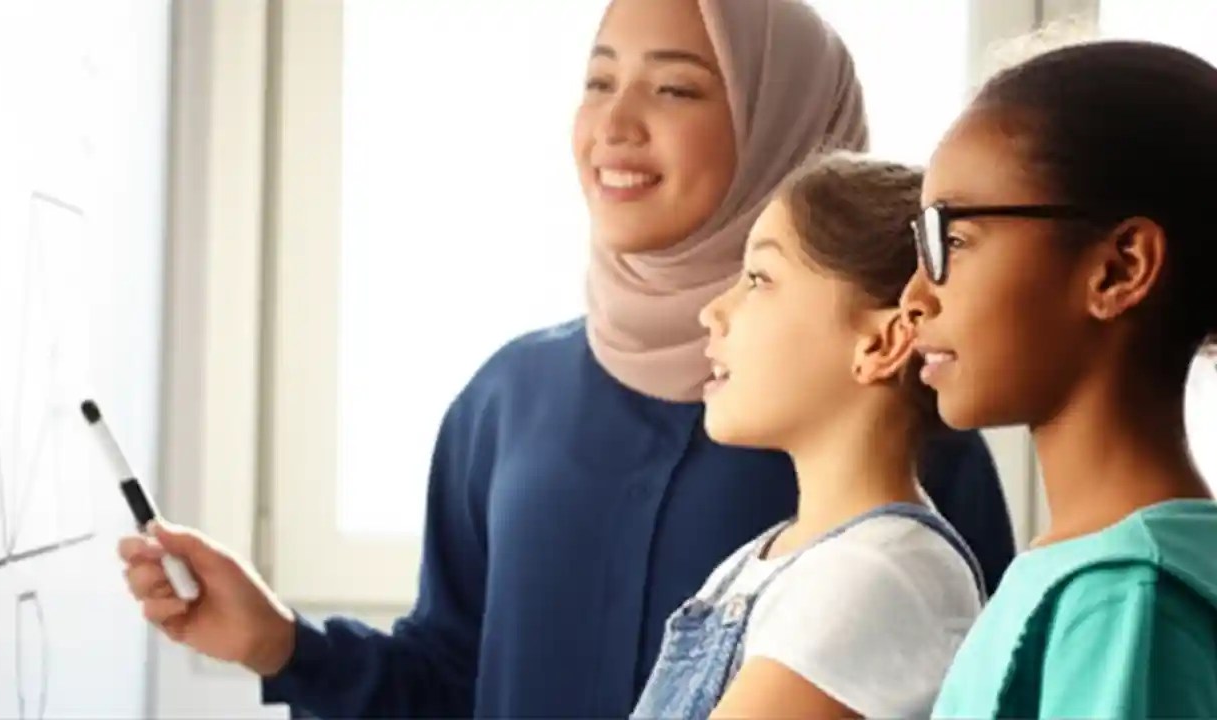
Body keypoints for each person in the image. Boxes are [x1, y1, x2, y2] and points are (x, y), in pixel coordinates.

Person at [119, 0, 1015, 717]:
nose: (616, 124)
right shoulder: (507, 402)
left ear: (783, 128)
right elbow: (452, 684)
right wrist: (281, 644)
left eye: (675, 90)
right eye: (597, 81)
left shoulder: (913, 437)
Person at [900, 39, 1217, 718]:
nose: (914, 296)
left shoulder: (1126, 599)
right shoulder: (1086, 575)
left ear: (1120, 269)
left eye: (951, 240)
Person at [631, 152, 986, 720]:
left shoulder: (878, 575)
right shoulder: (762, 564)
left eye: (758, 279)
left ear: (880, 344)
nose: (712, 312)